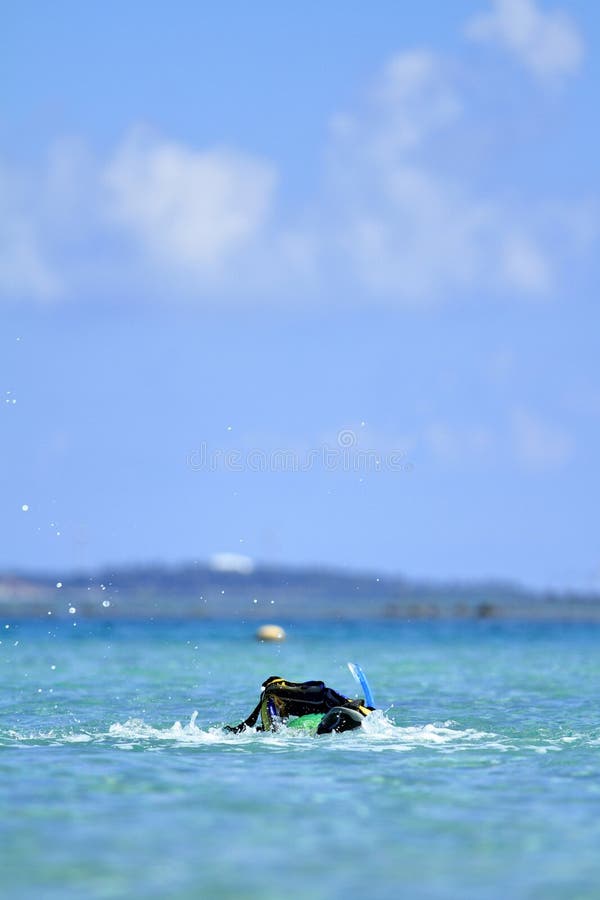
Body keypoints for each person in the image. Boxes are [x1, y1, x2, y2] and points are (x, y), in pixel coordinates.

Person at [224, 675, 375, 735]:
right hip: (341, 707)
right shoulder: (285, 692)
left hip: (340, 708)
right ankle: (364, 712)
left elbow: (272, 734)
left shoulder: (272, 696)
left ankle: (362, 712)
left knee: (274, 734)